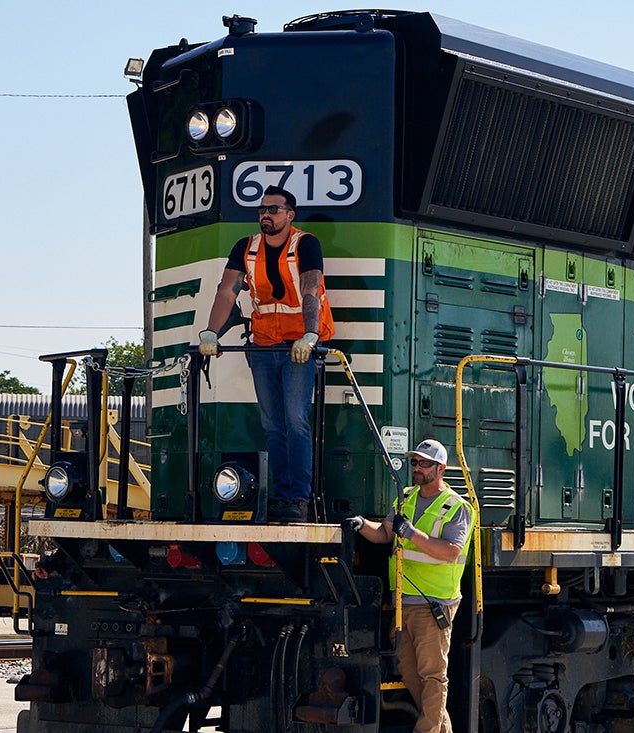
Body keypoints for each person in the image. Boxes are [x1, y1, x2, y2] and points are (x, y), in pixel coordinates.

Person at [197, 185, 334, 522]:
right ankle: (281, 497)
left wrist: (310, 335)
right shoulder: (245, 247)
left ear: (290, 214)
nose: (266, 215)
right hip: (263, 346)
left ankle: (298, 499)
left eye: (274, 209)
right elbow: (227, 291)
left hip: (298, 348)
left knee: (296, 421)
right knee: (273, 425)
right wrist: (211, 332)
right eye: (262, 210)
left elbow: (311, 288)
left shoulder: (306, 244)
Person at [345, 439, 474, 733]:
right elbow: (385, 534)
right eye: (414, 462)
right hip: (404, 601)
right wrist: (361, 524)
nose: (417, 468)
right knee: (410, 673)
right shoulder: (406, 497)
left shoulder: (457, 506)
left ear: (440, 468)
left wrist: (412, 533)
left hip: (434, 603)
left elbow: (451, 551)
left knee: (433, 675)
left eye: (424, 463)